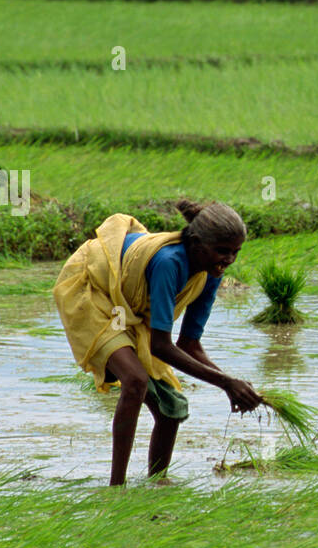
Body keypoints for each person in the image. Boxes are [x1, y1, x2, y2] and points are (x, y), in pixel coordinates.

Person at [53, 199, 262, 486]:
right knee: (136, 380)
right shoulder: (169, 263)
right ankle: (117, 488)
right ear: (197, 243)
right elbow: (160, 346)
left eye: (235, 252)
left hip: (129, 308)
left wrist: (232, 381)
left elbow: (189, 344)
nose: (229, 260)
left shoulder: (210, 274)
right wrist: (226, 383)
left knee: (171, 408)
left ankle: (158, 482)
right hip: (92, 290)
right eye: (222, 251)